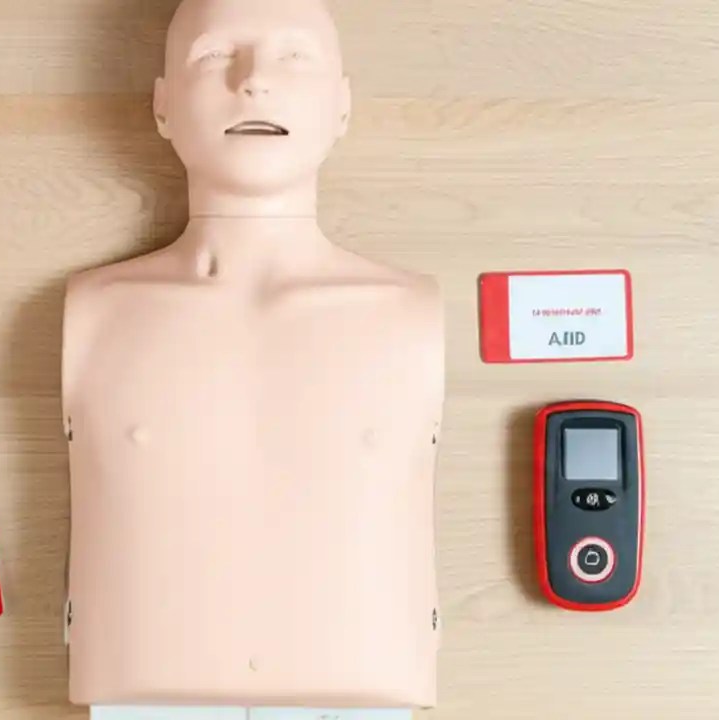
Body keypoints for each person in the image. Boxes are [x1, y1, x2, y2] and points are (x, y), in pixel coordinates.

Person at [62, 0, 443, 710]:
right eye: (214, 55)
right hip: (143, 698)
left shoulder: (408, 312)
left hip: (365, 697)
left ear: (343, 104)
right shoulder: (98, 311)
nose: (254, 81)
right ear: (163, 105)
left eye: (294, 55)